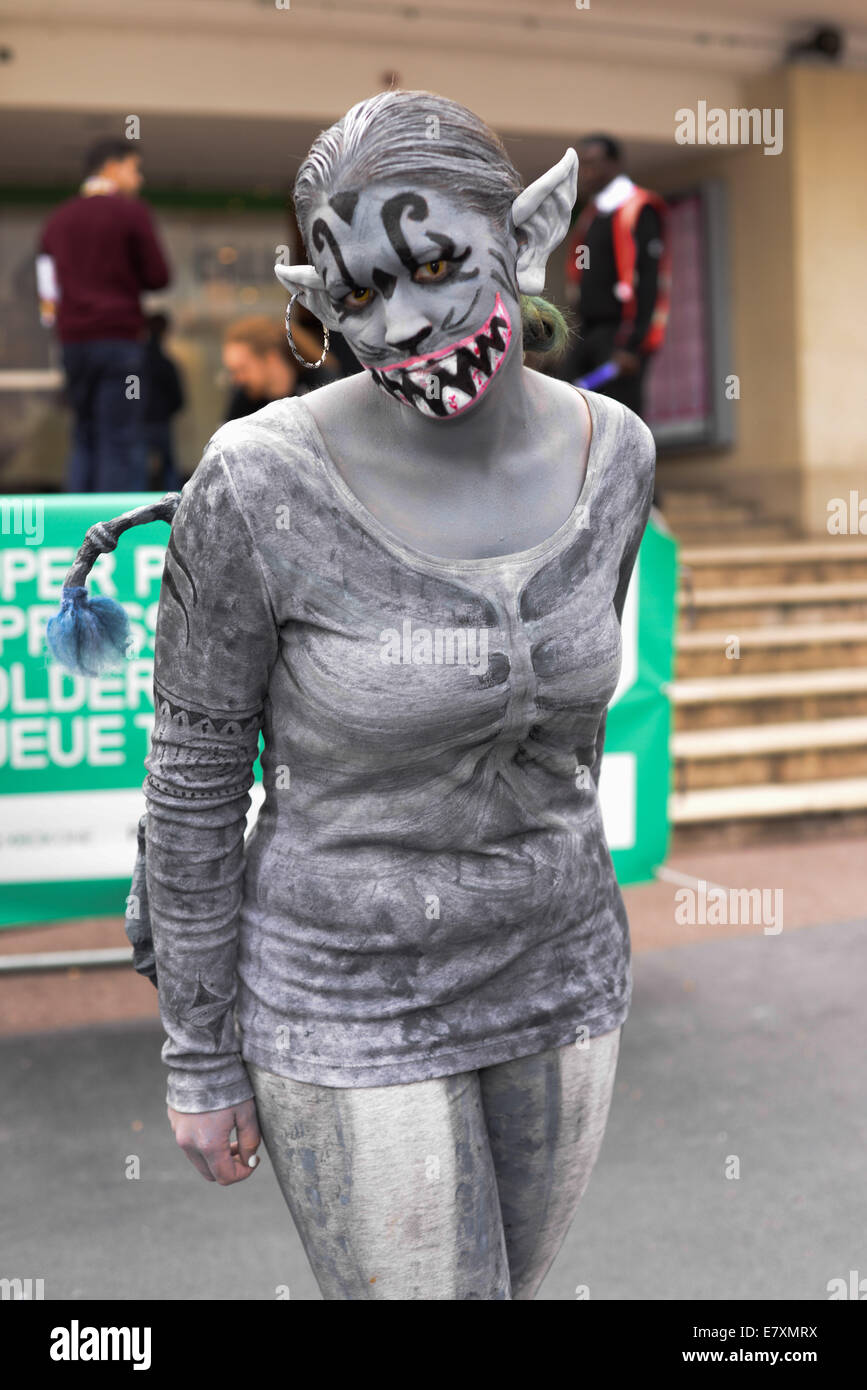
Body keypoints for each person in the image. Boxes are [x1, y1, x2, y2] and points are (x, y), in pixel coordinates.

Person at [46, 91, 655, 1300]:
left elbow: (567, 741)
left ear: (523, 239)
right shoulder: (260, 480)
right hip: (345, 994)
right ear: (320, 298)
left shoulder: (618, 455)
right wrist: (201, 1052)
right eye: (363, 291)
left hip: (561, 975)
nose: (408, 321)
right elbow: (197, 779)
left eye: (437, 265)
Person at [36, 138, 172, 492]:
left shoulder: (57, 220)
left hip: (73, 345)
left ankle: (76, 531)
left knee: (84, 433)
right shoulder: (131, 212)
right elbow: (159, 276)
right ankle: (117, 532)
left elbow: (47, 292)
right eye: (134, 168)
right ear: (111, 167)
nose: (139, 179)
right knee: (122, 436)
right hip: (119, 343)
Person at [558, 134, 670, 424]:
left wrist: (632, 345)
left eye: (593, 164)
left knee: (619, 421)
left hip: (622, 335)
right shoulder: (592, 215)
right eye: (583, 165)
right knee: (570, 403)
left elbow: (649, 282)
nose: (586, 172)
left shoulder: (640, 208)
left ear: (614, 164)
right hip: (590, 332)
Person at [221, 313, 340, 422]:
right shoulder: (244, 399)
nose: (237, 379)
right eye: (233, 371)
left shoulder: (320, 386)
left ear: (270, 357)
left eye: (243, 369)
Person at [142, 312, 185, 492]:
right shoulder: (167, 364)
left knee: (138, 467)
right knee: (168, 466)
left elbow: (131, 394)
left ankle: (134, 501)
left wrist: (139, 409)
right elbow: (177, 398)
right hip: (161, 421)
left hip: (141, 423)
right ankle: (173, 504)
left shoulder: (136, 366)